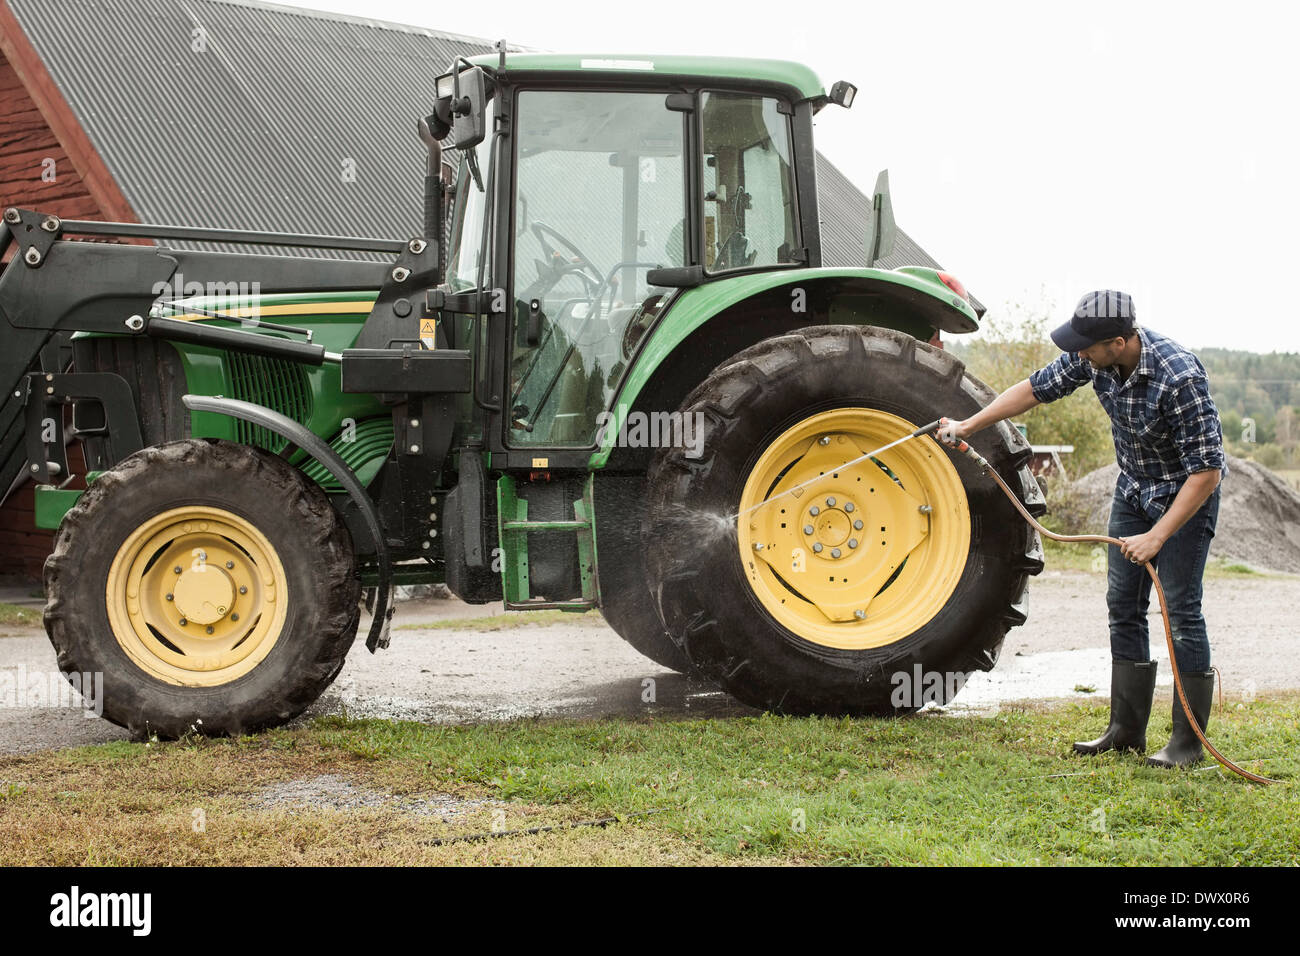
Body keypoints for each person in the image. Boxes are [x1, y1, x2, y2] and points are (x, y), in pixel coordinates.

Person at [940, 290, 1227, 767]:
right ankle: (1125, 730)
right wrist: (971, 424)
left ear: (1118, 341)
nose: (1077, 353)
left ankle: (1186, 743)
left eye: (1086, 345)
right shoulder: (1092, 360)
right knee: (1122, 606)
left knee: (1180, 611)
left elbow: (1208, 472)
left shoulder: (1180, 378)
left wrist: (1158, 536)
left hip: (1183, 499)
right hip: (1134, 492)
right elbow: (1033, 389)